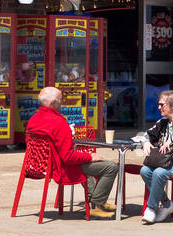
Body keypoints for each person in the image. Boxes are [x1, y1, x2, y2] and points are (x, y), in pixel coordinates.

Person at [27, 86, 119, 217]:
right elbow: (68, 157)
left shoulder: (33, 120)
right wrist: (89, 156)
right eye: (60, 99)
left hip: (40, 165)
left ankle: (98, 202)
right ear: (53, 103)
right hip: (60, 167)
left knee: (85, 164)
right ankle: (98, 204)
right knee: (111, 167)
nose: (62, 102)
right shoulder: (59, 122)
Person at [140, 90, 173, 223]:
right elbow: (146, 134)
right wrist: (146, 142)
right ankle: (166, 203)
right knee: (145, 171)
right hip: (164, 162)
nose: (159, 107)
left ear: (172, 106)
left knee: (158, 173)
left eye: (162, 105)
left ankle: (151, 208)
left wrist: (171, 141)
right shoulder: (163, 122)